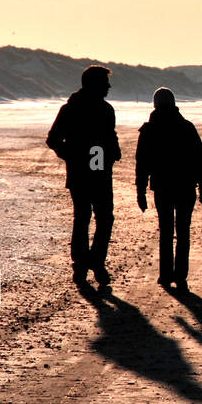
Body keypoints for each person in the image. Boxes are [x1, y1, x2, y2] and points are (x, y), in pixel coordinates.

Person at [46, 65, 121, 289]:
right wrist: (72, 155)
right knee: (93, 218)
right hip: (89, 174)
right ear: (94, 84)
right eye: (105, 83)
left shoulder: (101, 110)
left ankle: (88, 263)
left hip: (95, 173)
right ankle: (88, 264)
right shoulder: (74, 109)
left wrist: (114, 150)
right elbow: (53, 139)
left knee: (92, 218)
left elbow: (110, 136)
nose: (108, 87)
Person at [135, 87, 202, 292]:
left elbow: (142, 163)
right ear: (174, 104)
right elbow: (199, 159)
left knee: (166, 231)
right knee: (183, 231)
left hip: (162, 187)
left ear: (155, 105)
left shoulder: (149, 130)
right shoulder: (187, 127)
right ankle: (181, 275)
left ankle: (165, 275)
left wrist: (140, 191)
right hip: (185, 186)